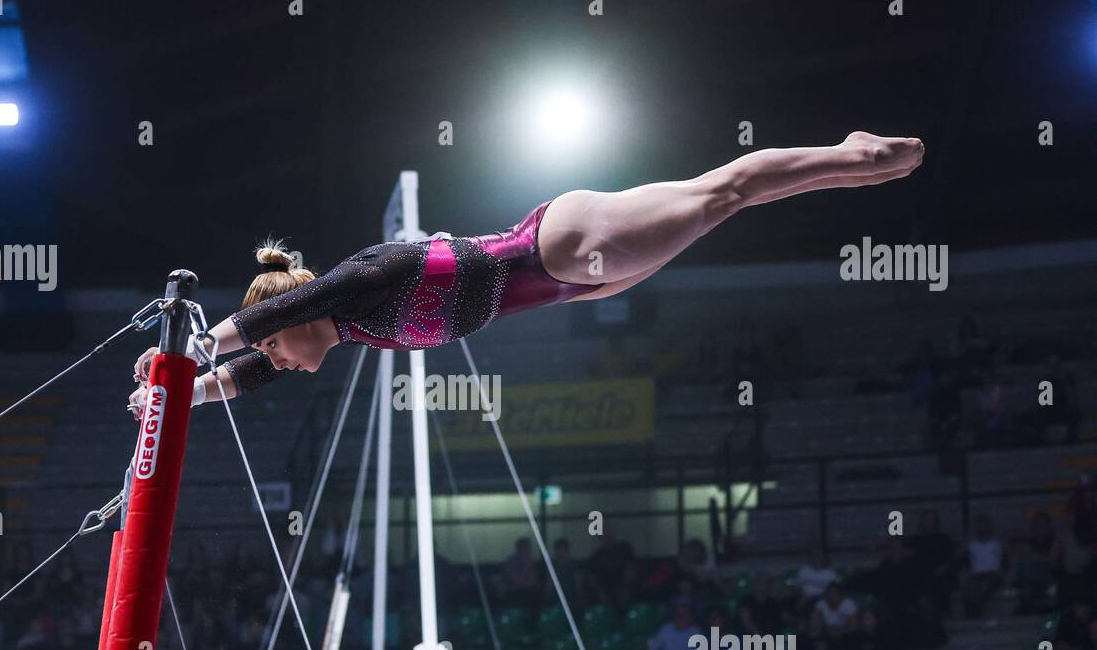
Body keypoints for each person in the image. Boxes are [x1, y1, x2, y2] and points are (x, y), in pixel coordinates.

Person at [130, 134, 925, 410]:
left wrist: (195, 345)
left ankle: (857, 158)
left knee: (724, 194)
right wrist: (169, 393)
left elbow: (301, 307)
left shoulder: (361, 281)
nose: (272, 365)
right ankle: (852, 161)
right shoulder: (350, 334)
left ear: (287, 315)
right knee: (718, 200)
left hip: (563, 243)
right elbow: (248, 376)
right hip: (582, 276)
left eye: (269, 344)